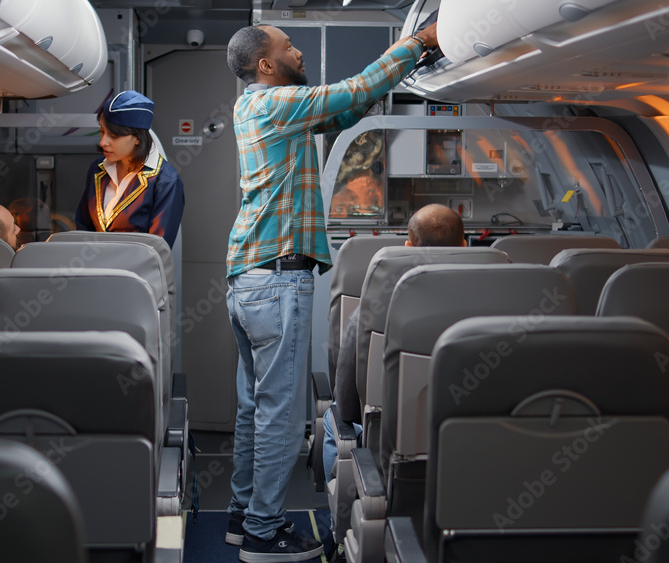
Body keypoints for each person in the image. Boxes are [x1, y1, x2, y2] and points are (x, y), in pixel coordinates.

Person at [223, 22, 439, 563]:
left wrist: (391, 75)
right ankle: (264, 532)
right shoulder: (274, 102)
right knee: (276, 410)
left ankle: (242, 513)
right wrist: (418, 42)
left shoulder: (261, 106)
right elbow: (358, 89)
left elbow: (346, 110)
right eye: (287, 46)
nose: (297, 50)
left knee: (254, 406)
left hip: (249, 277)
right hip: (276, 280)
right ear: (266, 65)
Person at [323, 204, 466, 484]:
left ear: (408, 246)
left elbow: (348, 400)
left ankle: (338, 523)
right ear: (464, 244)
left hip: (391, 452)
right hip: (472, 444)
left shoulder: (374, 304)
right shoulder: (500, 294)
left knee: (333, 420)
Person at [75, 90, 185, 247]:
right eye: (102, 132)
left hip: (136, 271)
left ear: (137, 138)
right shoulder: (97, 170)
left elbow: (158, 247)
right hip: (95, 269)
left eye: (113, 136)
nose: (103, 142)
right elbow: (83, 227)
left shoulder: (166, 181)